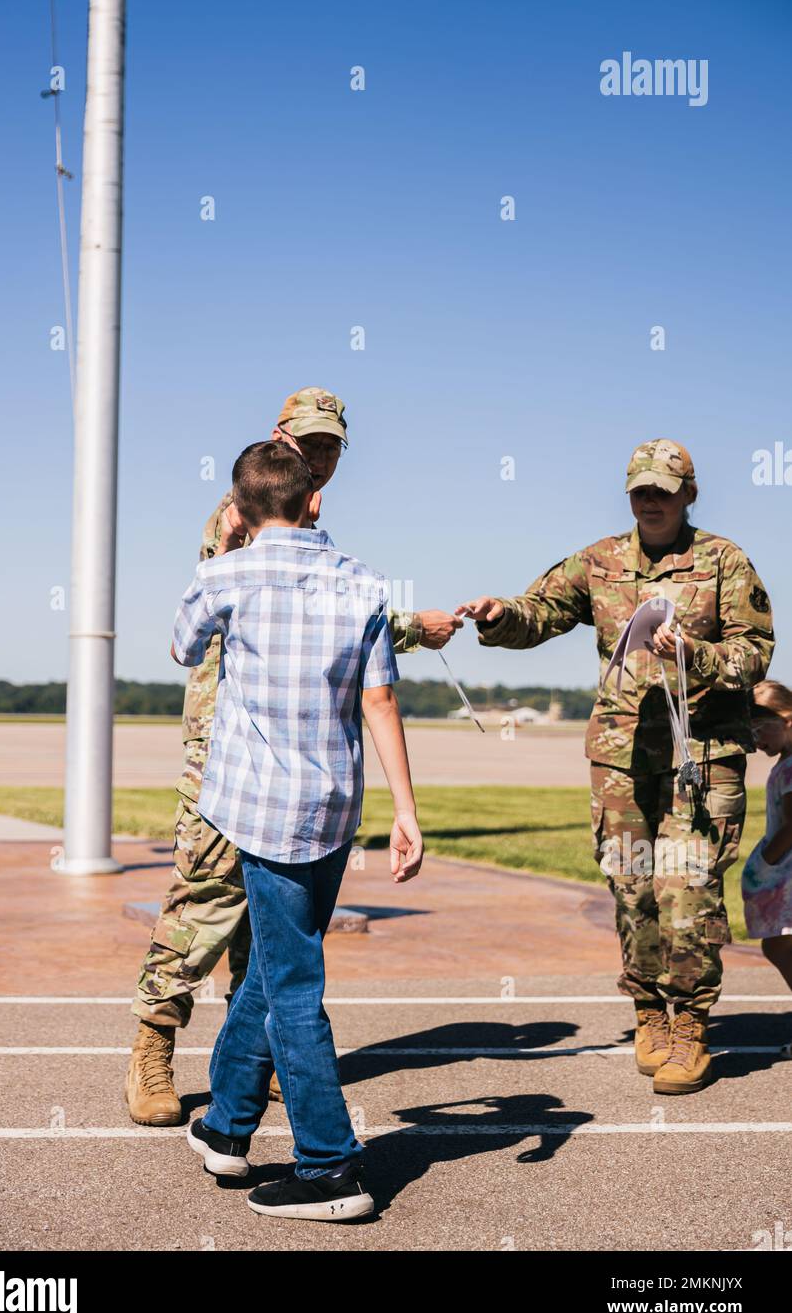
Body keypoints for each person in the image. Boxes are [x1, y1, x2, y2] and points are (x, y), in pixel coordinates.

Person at [125, 388, 459, 1126]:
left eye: (332, 446)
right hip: (229, 746)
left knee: (272, 920)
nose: (319, 454)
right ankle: (154, 1040)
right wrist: (405, 624)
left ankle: (261, 1055)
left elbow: (330, 626)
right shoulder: (244, 510)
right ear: (278, 437)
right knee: (205, 897)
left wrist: (401, 628)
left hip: (301, 753)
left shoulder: (312, 528)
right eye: (308, 441)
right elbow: (260, 608)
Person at [458, 439, 774, 1093]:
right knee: (633, 890)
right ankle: (648, 1012)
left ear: (689, 494)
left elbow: (755, 651)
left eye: (663, 489)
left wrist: (698, 655)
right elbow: (541, 611)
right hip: (621, 761)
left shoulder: (724, 562)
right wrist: (498, 617)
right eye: (640, 490)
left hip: (700, 760)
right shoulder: (599, 562)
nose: (651, 501)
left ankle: (690, 1025)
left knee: (686, 891)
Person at [175, 439, 422, 1221]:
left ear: (243, 510)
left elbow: (181, 647)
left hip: (263, 811)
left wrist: (220, 551)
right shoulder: (365, 584)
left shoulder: (225, 575)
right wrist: (406, 809)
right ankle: (225, 1127)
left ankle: (330, 1168)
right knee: (277, 967)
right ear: (314, 499)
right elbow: (380, 702)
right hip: (334, 809)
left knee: (292, 987)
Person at [741, 680, 792, 1054]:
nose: (755, 738)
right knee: (778, 947)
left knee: (779, 946)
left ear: (787, 719)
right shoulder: (785, 763)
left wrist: (765, 865)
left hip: (786, 875)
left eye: (761, 728)